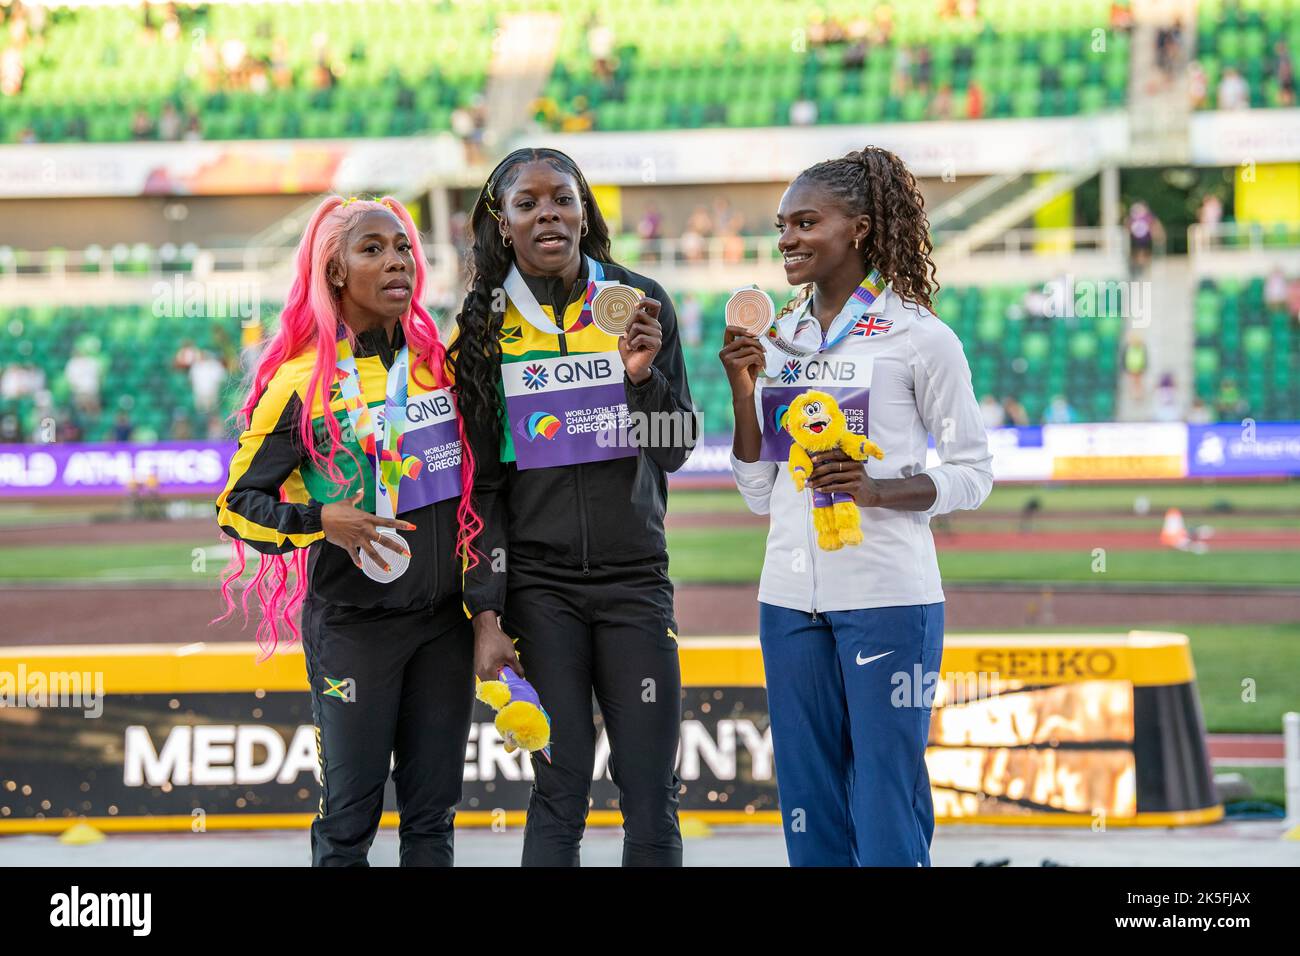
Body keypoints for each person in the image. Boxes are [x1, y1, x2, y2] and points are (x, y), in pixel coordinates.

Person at [720, 145, 992, 867]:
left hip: (888, 598)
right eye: (782, 226)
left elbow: (973, 472)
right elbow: (756, 492)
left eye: (806, 223)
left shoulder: (920, 337)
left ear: (861, 228)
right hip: (786, 600)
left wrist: (875, 491)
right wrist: (745, 394)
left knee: (883, 797)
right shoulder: (778, 338)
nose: (787, 240)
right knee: (808, 803)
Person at [448, 147, 695, 867]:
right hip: (540, 589)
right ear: (502, 222)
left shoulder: (638, 300)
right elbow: (482, 488)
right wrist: (487, 616)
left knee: (652, 786)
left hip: (635, 581)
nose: (547, 213)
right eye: (527, 203)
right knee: (561, 784)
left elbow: (675, 446)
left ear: (585, 210)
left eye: (562, 198)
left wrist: (644, 379)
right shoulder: (483, 329)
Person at [215, 196, 476, 867]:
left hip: (444, 625)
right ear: (333, 271)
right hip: (355, 629)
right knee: (349, 821)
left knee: (432, 821)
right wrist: (318, 522)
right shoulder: (298, 382)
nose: (398, 261)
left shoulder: (437, 368)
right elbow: (236, 505)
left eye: (404, 248)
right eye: (373, 249)